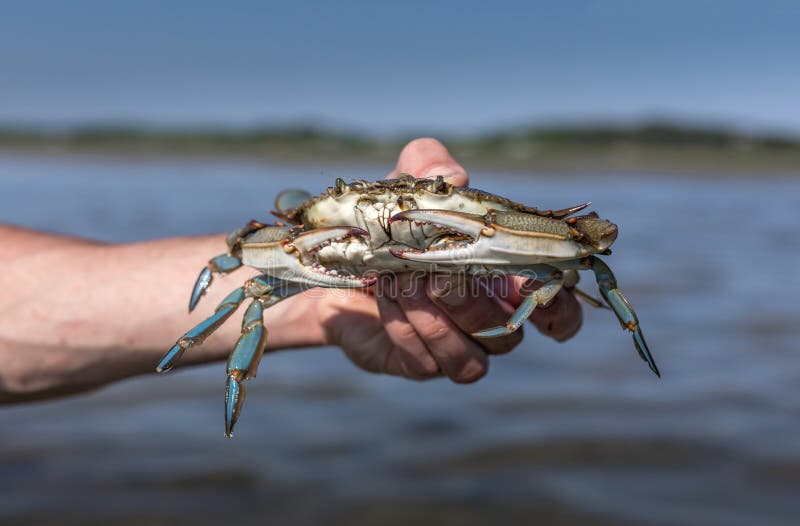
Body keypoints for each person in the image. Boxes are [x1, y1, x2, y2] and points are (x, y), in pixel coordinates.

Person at [0, 138, 581, 402]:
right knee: (251, 295)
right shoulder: (299, 231)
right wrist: (310, 275)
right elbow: (244, 258)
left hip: (462, 260)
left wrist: (525, 274)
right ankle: (229, 377)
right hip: (317, 262)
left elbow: (586, 246)